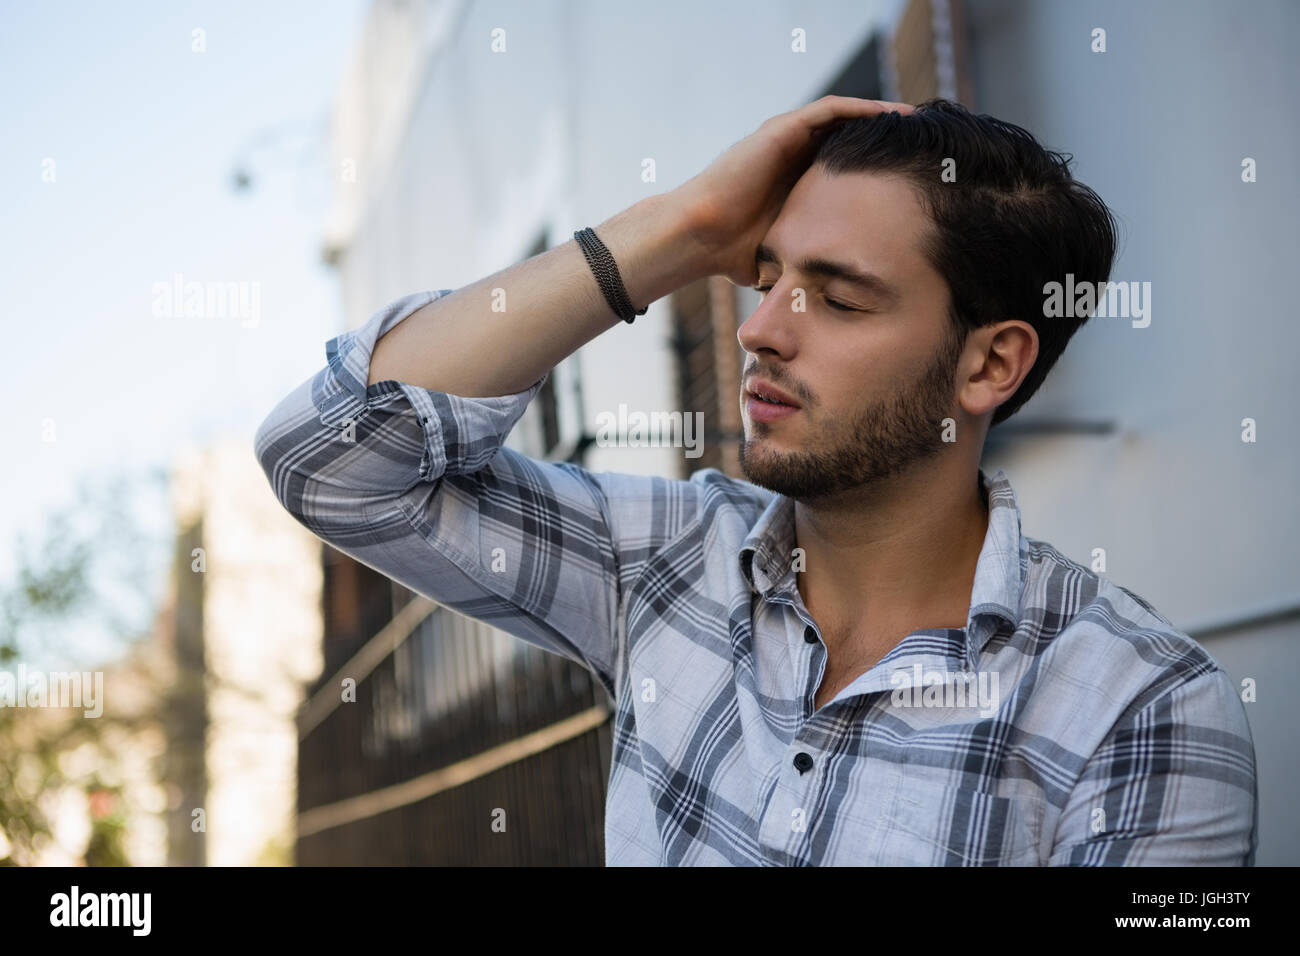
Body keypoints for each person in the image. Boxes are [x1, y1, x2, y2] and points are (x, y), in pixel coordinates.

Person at [255, 96, 1257, 865]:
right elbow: (331, 461)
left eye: (839, 298)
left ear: (989, 364)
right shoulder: (668, 560)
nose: (759, 328)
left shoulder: (1146, 705)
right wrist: (679, 229)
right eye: (766, 275)